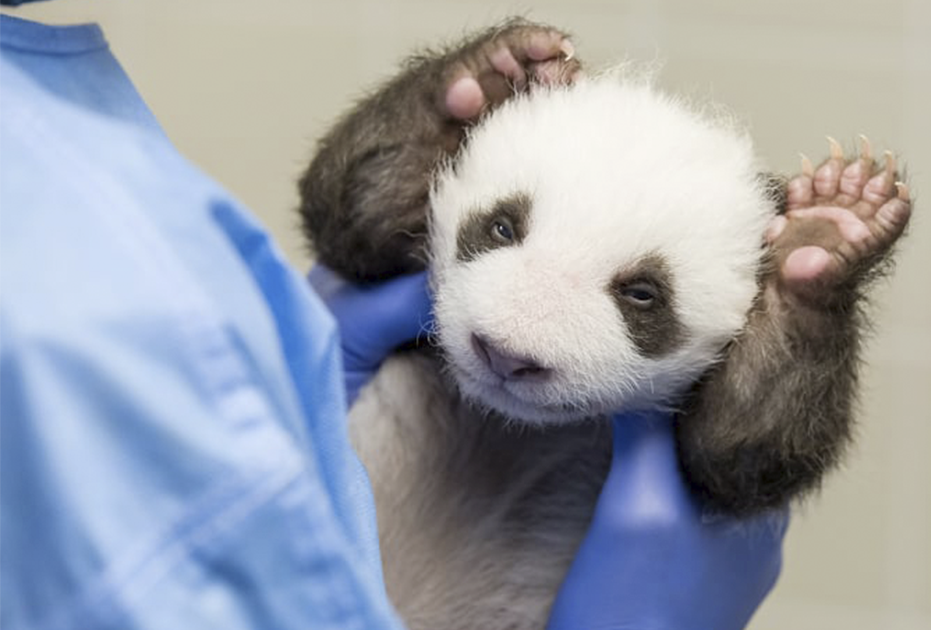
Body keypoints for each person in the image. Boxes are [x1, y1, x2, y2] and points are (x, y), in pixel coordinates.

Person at [0, 6, 786, 630]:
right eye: (503, 229)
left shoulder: (48, 133)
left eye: (640, 295)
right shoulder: (63, 308)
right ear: (446, 181)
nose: (515, 338)